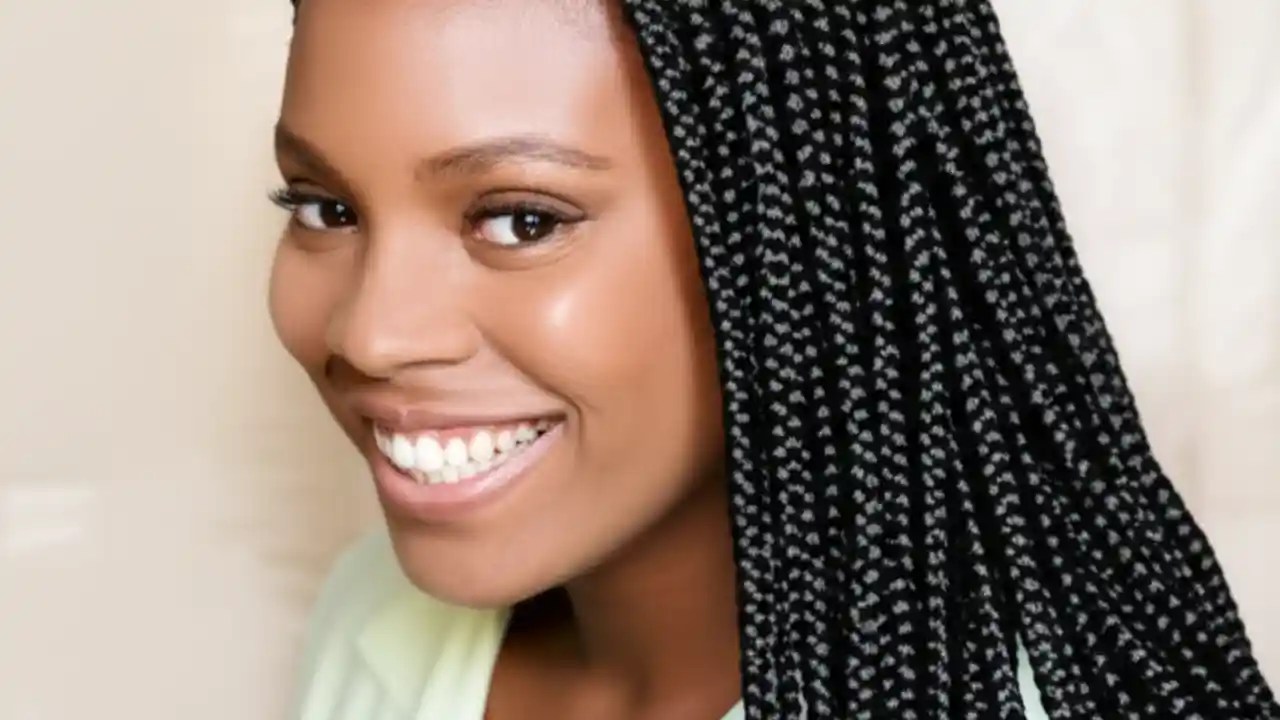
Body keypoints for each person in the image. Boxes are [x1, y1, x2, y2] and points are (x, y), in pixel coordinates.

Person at [268, 1, 1277, 718]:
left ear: (810, 235)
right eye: (324, 209)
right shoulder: (371, 618)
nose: (372, 334)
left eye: (522, 220)